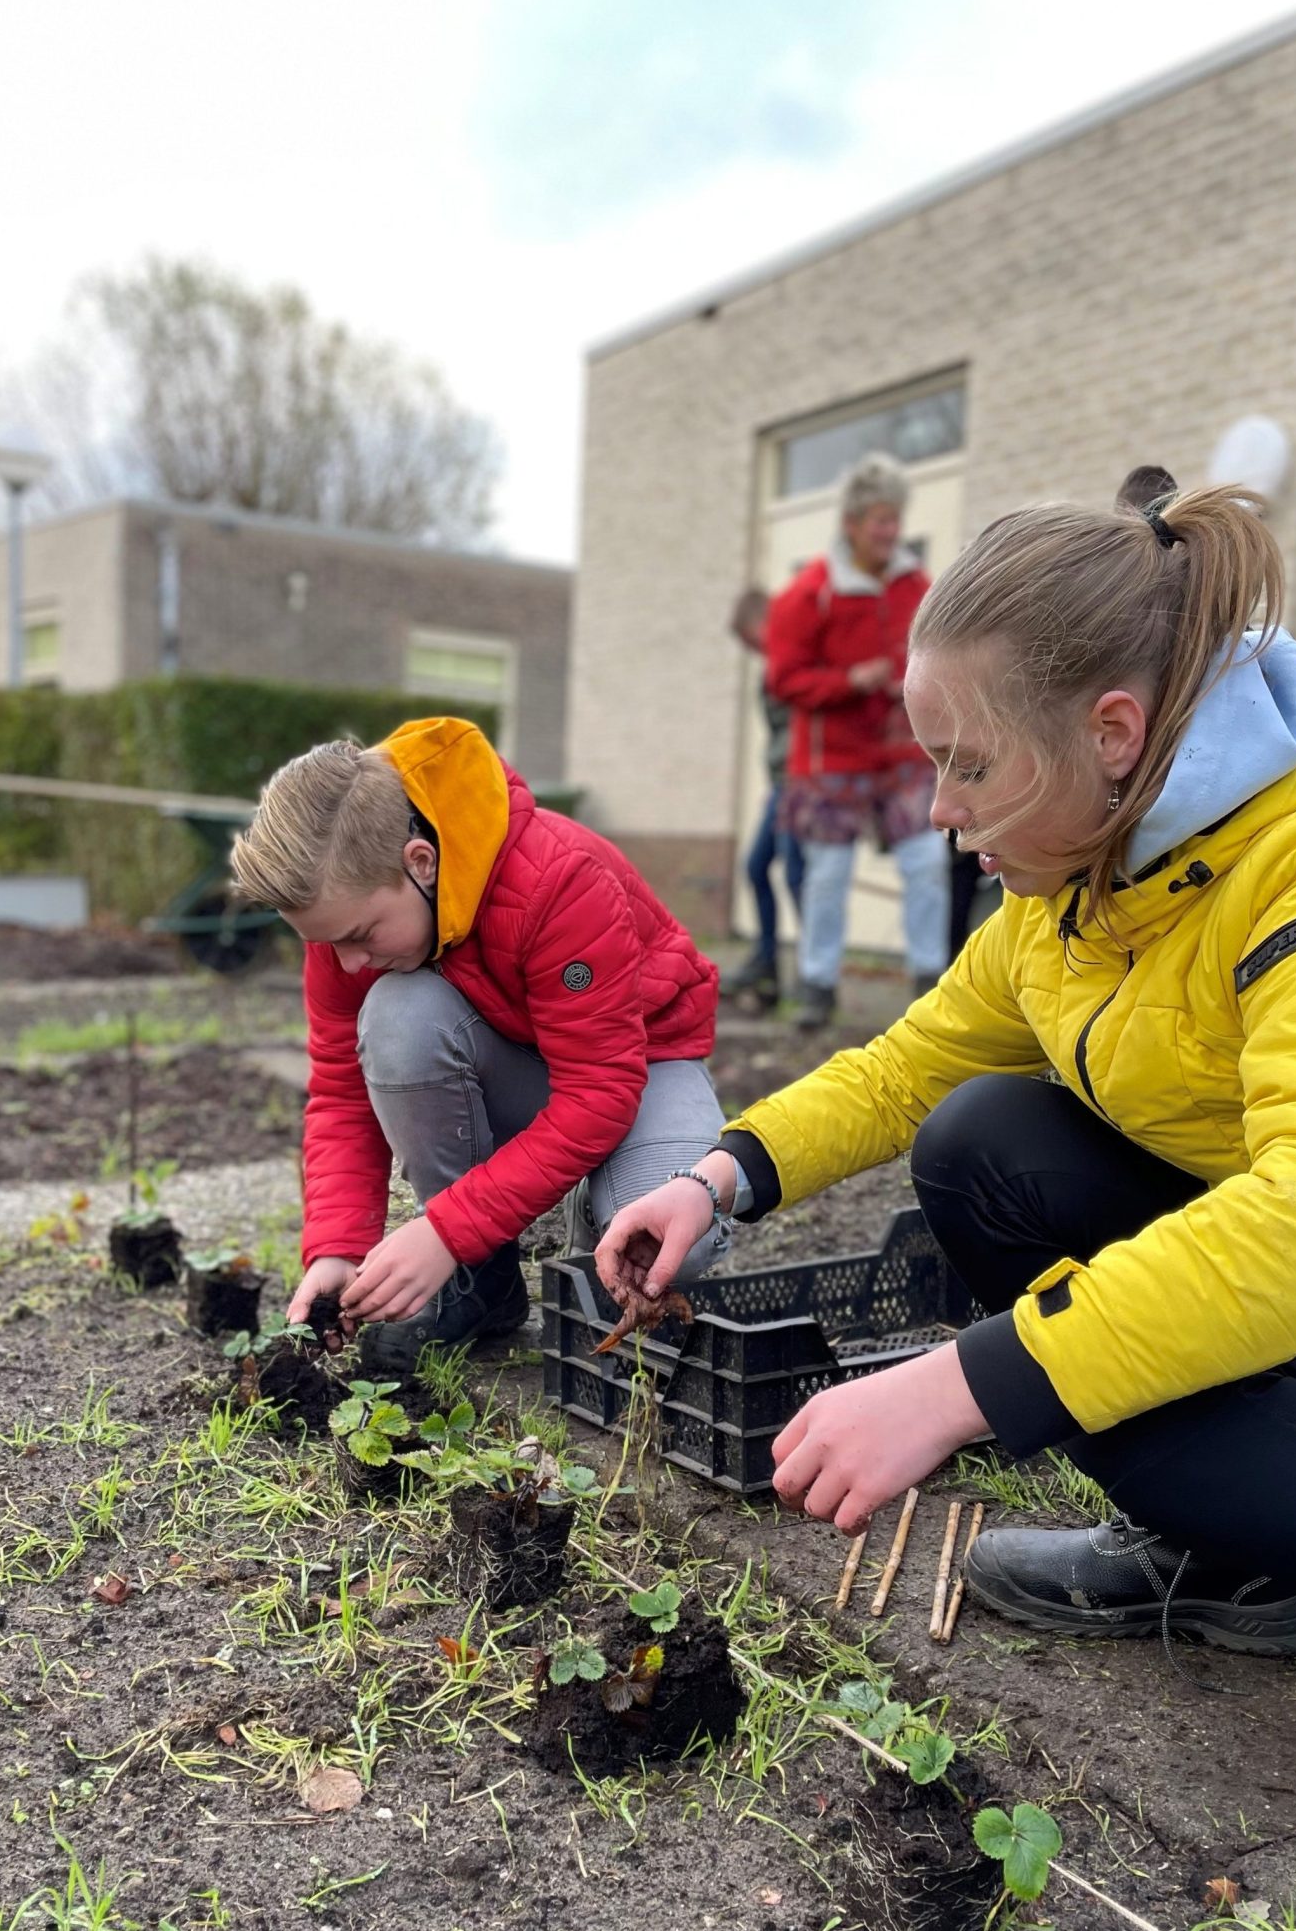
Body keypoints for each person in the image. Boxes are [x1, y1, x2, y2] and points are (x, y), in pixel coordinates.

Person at [596, 488, 1296, 1653]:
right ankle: (1222, 1561)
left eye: (972, 765)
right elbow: (905, 1070)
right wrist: (715, 1179)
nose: (940, 809)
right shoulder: (1083, 870)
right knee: (982, 1144)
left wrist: (962, 1385)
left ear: (1111, 733)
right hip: (1294, 1281)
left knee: (1061, 1322)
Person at [229, 715, 725, 1374]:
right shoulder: (345, 921)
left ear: (420, 863)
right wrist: (336, 1248)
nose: (347, 964)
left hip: (640, 1067)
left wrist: (445, 1230)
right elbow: (342, 1093)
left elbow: (600, 1092)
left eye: (360, 936)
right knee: (398, 1017)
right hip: (523, 1069)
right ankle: (481, 1280)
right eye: (328, 944)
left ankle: (592, 1203)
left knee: (668, 1251)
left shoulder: (557, 879)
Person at [767, 452, 948, 1030]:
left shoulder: (918, 585)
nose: (891, 531)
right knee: (828, 875)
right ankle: (817, 985)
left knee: (927, 864)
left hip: (903, 753)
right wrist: (849, 682)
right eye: (879, 520)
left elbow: (940, 652)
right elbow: (783, 680)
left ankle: (930, 982)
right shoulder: (809, 593)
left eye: (895, 518)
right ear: (851, 523)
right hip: (833, 760)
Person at [721, 586, 806, 1010]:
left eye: (751, 639)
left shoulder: (794, 660)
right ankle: (767, 960)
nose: (753, 650)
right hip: (782, 783)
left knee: (796, 873)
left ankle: (811, 973)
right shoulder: (774, 666)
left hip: (801, 782)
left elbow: (799, 728)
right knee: (757, 867)